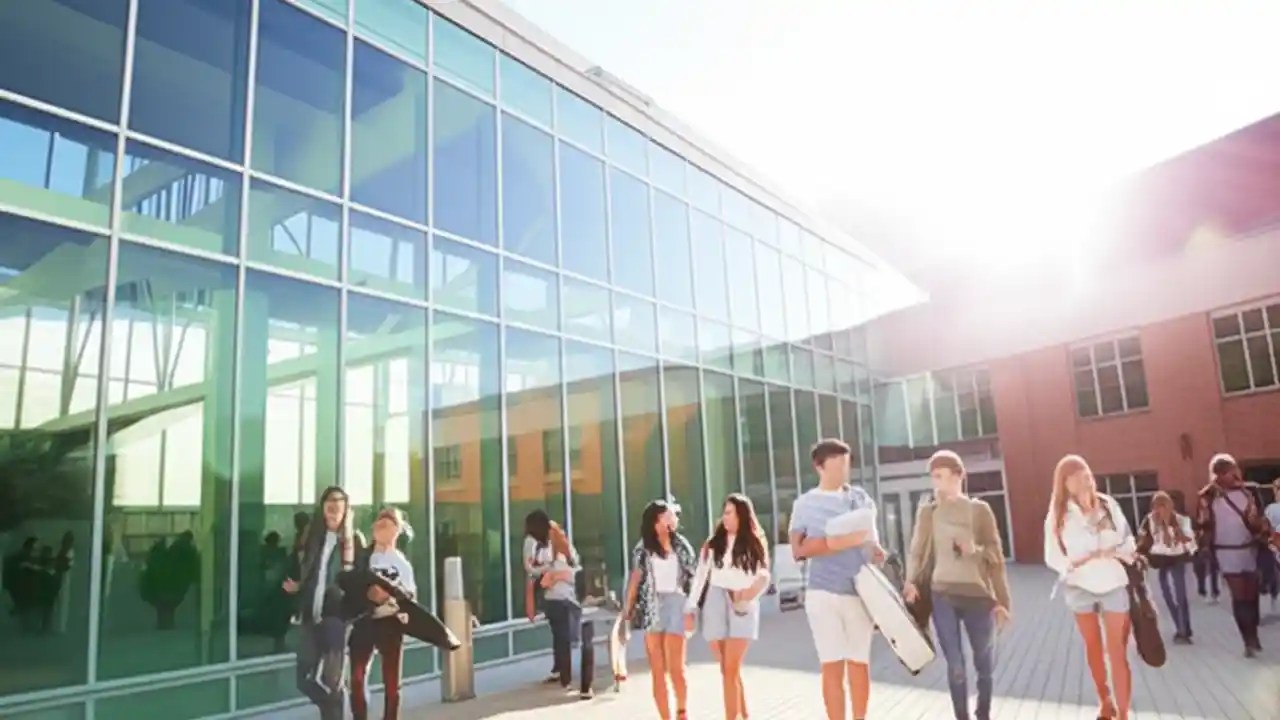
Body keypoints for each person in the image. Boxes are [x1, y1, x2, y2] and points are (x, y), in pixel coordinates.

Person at [903, 450, 1011, 720]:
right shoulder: (929, 511)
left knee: (984, 664)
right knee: (955, 665)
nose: (936, 483)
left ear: (958, 475)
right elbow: (917, 550)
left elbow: (996, 557)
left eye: (941, 476)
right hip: (943, 595)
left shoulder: (979, 511)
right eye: (933, 477)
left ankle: (982, 714)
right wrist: (910, 581)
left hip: (978, 597)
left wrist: (1003, 601)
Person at [788, 439, 886, 720]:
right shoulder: (804, 504)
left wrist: (835, 542)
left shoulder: (860, 499)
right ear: (820, 466)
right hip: (822, 595)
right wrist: (843, 541)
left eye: (848, 462)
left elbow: (870, 543)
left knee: (859, 663)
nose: (846, 468)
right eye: (839, 463)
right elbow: (798, 550)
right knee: (831, 665)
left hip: (859, 592)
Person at [1044, 454, 1136, 720]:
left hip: (1113, 581)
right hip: (1079, 586)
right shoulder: (1058, 515)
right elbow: (1052, 554)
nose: (1082, 480)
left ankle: (1123, 713)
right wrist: (1070, 566)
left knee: (1117, 650)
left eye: (1085, 473)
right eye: (1073, 476)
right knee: (1093, 646)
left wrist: (1116, 551)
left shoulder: (1107, 505)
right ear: (1064, 483)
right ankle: (1105, 702)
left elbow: (1128, 539)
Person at [687, 494, 771, 720]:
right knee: (727, 669)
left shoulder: (754, 542)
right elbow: (700, 576)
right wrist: (690, 608)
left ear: (742, 515)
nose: (724, 518)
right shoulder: (714, 543)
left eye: (729, 513)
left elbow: (764, 574)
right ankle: (744, 715)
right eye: (723, 513)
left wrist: (749, 592)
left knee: (731, 668)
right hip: (715, 600)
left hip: (743, 603)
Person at [282, 486, 357, 720]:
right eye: (329, 502)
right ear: (323, 507)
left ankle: (336, 715)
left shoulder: (353, 542)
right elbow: (303, 570)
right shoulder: (312, 538)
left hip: (336, 618)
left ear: (346, 509)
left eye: (339, 502)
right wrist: (298, 586)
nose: (334, 506)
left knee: (333, 681)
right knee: (304, 679)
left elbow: (360, 579)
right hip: (309, 615)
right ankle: (331, 711)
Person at [623, 499, 698, 720]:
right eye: (667, 515)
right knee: (657, 670)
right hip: (652, 607)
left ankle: (682, 712)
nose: (673, 518)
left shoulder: (681, 545)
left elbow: (692, 578)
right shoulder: (642, 549)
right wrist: (627, 609)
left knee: (676, 668)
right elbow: (635, 579)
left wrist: (691, 611)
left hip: (676, 603)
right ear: (656, 521)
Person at [1196, 454, 1267, 657]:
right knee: (1239, 597)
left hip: (1248, 549)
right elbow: (1203, 525)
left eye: (1235, 470)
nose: (1235, 474)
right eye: (1230, 471)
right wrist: (1204, 549)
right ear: (1219, 474)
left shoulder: (1247, 492)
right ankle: (1248, 641)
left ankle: (1254, 636)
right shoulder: (1208, 497)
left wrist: (1261, 534)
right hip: (1226, 551)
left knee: (1251, 595)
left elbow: (1255, 521)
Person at [349, 507, 416, 720]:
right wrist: (366, 594)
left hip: (391, 624)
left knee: (391, 684)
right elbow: (350, 584)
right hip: (364, 622)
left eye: (388, 522)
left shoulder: (402, 563)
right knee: (357, 678)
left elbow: (410, 597)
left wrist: (389, 597)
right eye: (379, 522)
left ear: (397, 530)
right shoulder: (363, 557)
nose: (382, 526)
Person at [523, 510, 588, 698]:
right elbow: (531, 570)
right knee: (562, 636)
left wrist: (555, 573)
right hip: (554, 598)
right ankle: (562, 672)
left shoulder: (564, 553)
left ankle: (561, 671)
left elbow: (574, 570)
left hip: (566, 597)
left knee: (563, 637)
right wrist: (549, 571)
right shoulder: (540, 548)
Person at [1137, 491, 1196, 644]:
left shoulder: (1182, 521)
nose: (1160, 509)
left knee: (1181, 596)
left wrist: (1180, 536)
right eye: (1157, 506)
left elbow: (1192, 544)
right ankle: (1179, 626)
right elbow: (1143, 542)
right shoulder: (1149, 521)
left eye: (1163, 505)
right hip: (1159, 561)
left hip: (1177, 559)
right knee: (1167, 596)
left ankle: (1184, 631)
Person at [1266, 478, 1280, 613]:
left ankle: (1275, 598)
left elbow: (1266, 527)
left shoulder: (1271, 509)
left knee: (1275, 573)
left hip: (1276, 543)